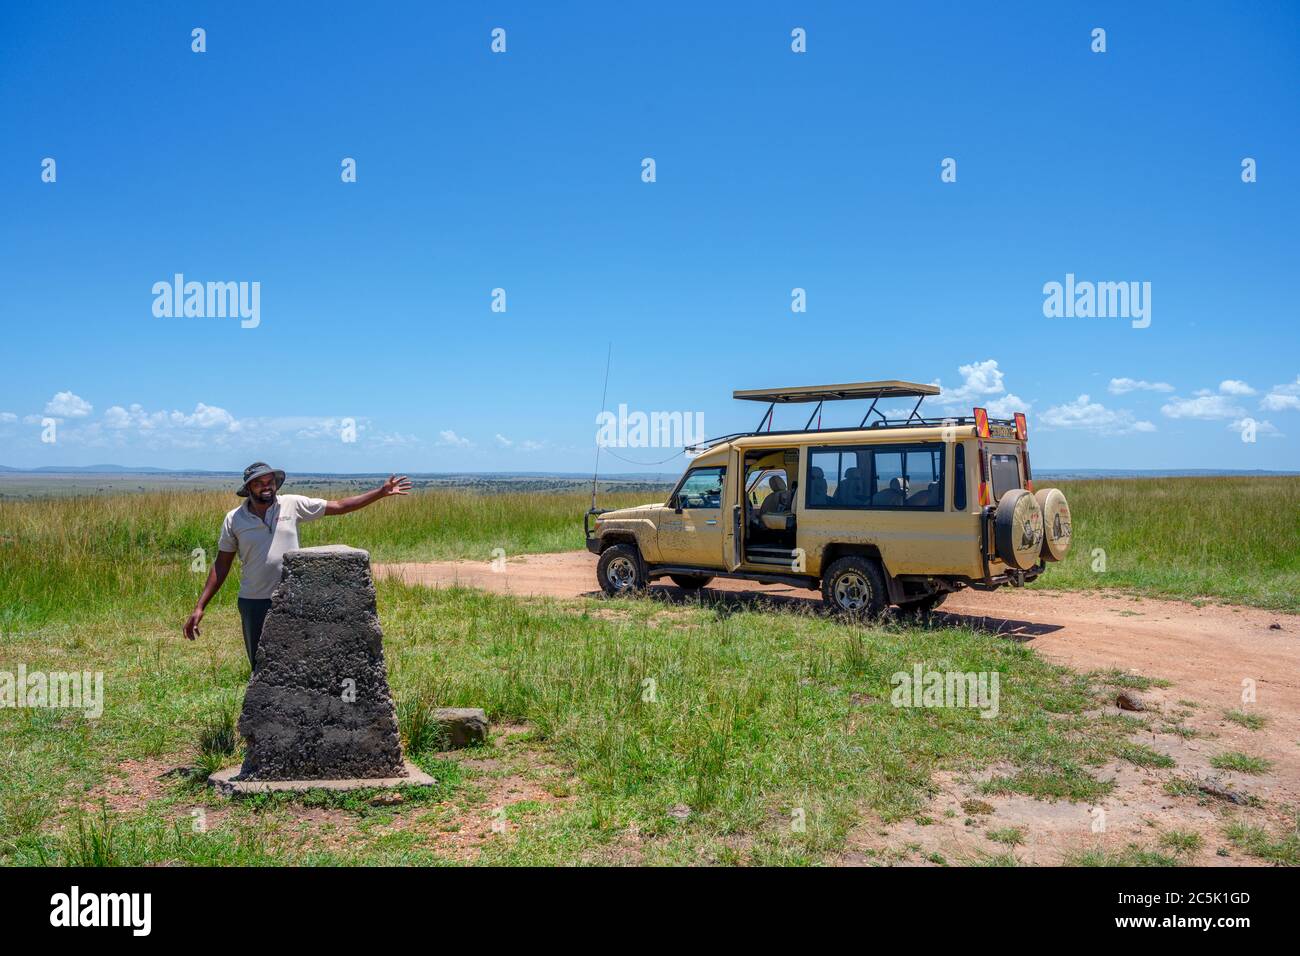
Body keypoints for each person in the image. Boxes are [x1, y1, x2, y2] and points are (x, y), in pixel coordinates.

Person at [182, 462, 412, 667]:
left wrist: (380, 493)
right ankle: (264, 713)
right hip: (253, 600)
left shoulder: (292, 504)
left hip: (293, 597)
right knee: (260, 663)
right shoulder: (234, 519)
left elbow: (341, 506)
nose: (267, 487)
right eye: (260, 483)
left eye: (270, 482)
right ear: (249, 487)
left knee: (297, 661)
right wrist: (200, 606)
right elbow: (221, 564)